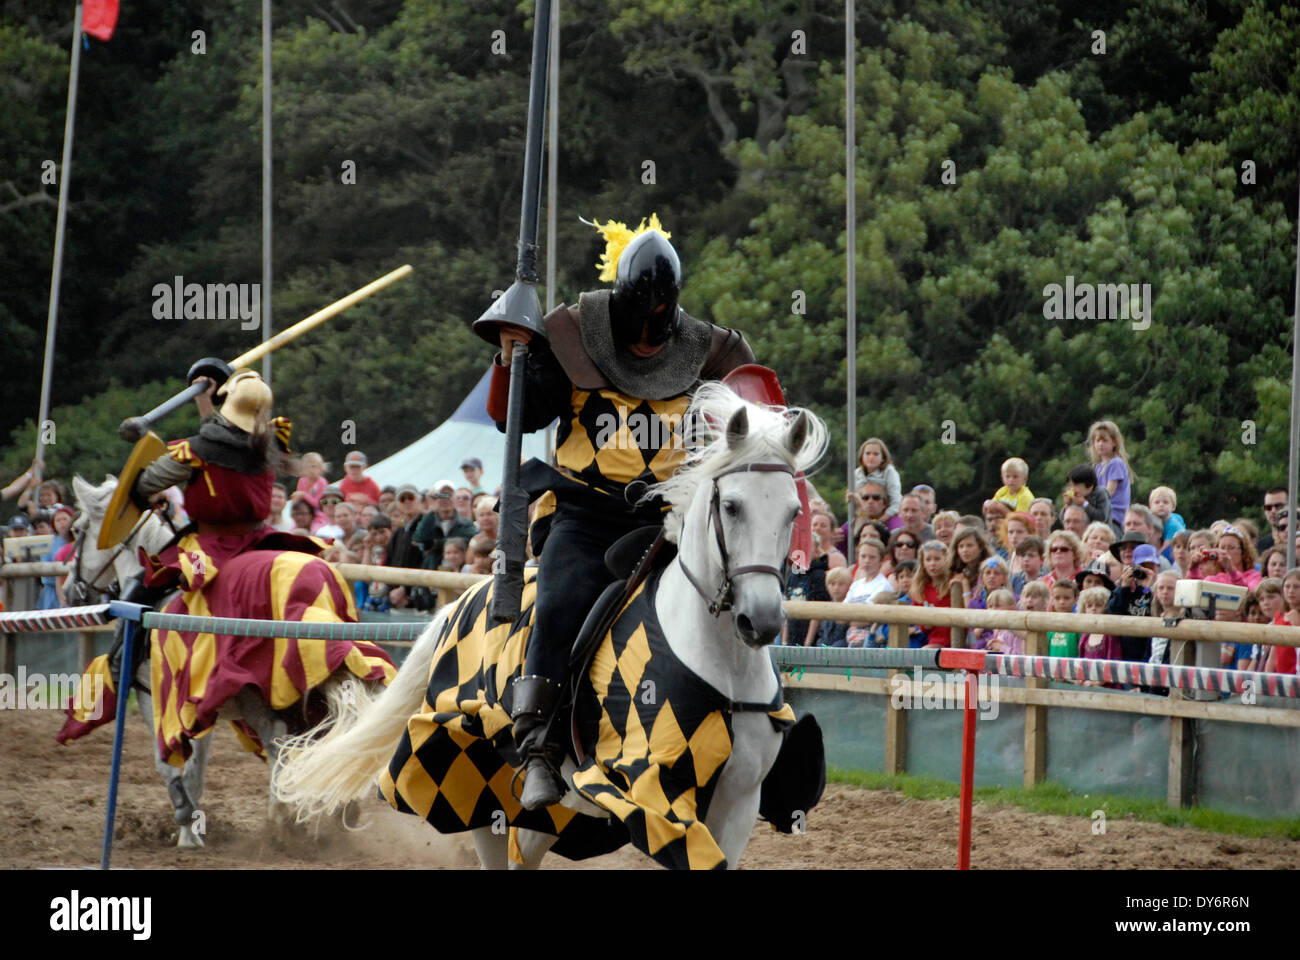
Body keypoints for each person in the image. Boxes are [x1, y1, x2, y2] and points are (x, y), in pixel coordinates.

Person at [486, 216, 757, 809]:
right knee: (559, 604)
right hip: (584, 515)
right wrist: (513, 359)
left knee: (742, 601)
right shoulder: (572, 337)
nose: (642, 348)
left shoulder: (711, 355)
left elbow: (751, 433)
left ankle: (757, 732)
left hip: (671, 523)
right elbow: (517, 416)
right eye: (635, 337)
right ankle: (540, 747)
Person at [1086, 420, 1133, 532]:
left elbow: (1108, 492)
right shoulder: (1098, 467)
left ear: (1114, 442)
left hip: (1114, 516)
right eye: (1098, 441)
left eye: (1105, 441)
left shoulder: (1115, 463)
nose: (1101, 444)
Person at [909, 540, 952, 648]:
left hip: (951, 640)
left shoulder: (953, 584)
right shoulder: (920, 588)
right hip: (930, 639)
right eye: (928, 559)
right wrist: (925, 624)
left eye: (937, 559)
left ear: (946, 560)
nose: (932, 563)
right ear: (923, 563)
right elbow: (920, 622)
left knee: (920, 659)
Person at [852, 438, 901, 521]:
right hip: (862, 516)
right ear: (862, 457)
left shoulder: (889, 472)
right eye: (867, 454)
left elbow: (897, 502)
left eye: (876, 454)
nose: (871, 457)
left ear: (883, 458)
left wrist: (880, 520)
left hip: (888, 516)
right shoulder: (856, 473)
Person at [37, 504, 75, 610]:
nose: (62, 522)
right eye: (58, 520)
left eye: (65, 519)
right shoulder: (50, 545)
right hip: (53, 590)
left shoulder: (79, 541)